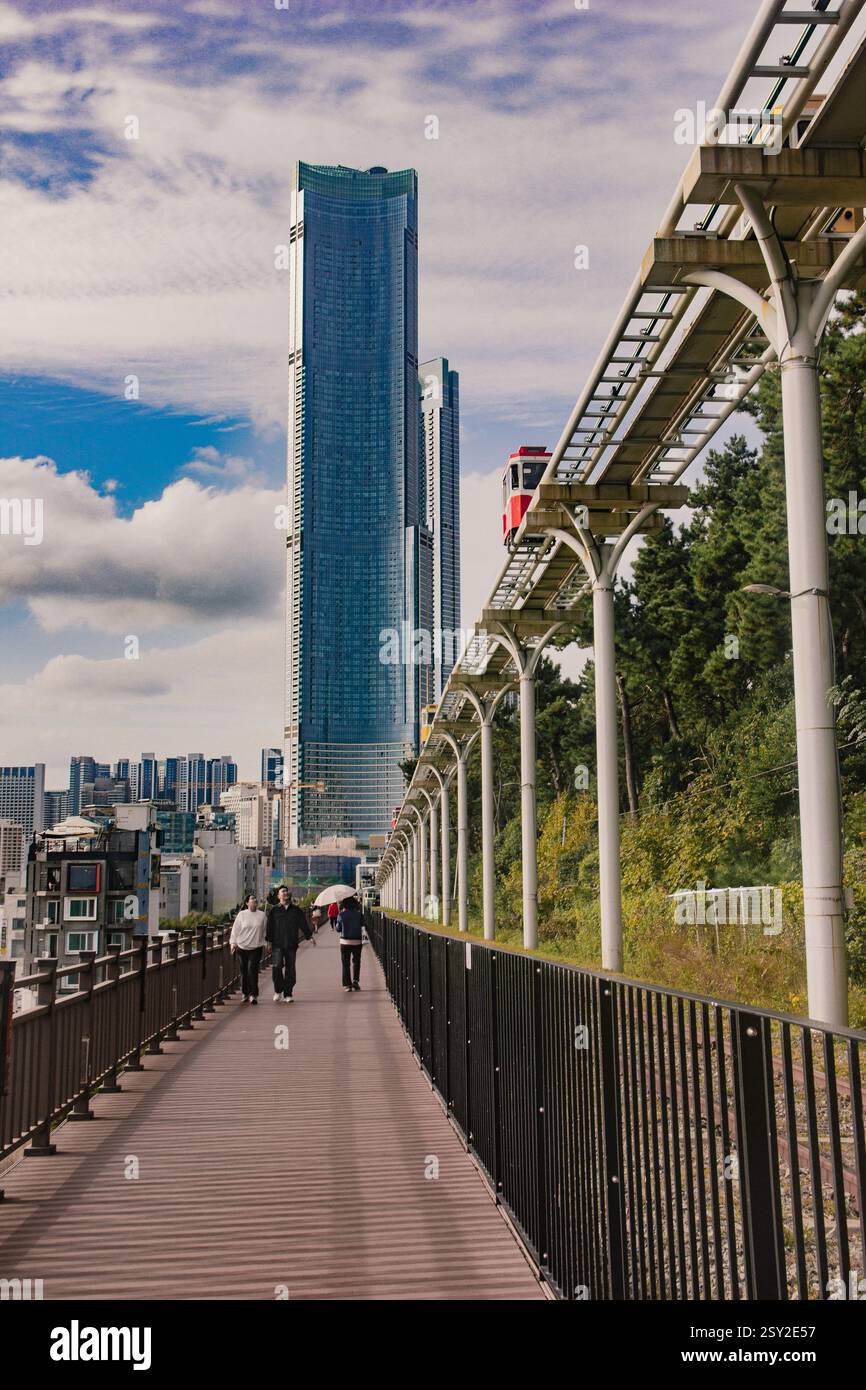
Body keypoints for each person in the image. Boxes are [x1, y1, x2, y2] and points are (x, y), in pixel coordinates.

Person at [266, 886, 312, 1002]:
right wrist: (269, 942)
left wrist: (309, 936)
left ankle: (288, 993)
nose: (285, 893)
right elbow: (269, 927)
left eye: (286, 891)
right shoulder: (274, 911)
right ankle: (278, 990)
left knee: (290, 969)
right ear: (278, 896)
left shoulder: (296, 910)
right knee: (277, 967)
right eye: (283, 891)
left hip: (291, 944)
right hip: (277, 944)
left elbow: (303, 923)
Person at [230, 893, 267, 1004]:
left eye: (255, 899)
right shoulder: (242, 915)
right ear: (247, 903)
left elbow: (265, 931)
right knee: (244, 971)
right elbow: (235, 930)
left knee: (252, 970)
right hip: (242, 947)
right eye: (252, 899)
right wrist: (233, 943)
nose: (254, 900)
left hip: (256, 947)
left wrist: (266, 943)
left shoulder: (262, 915)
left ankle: (253, 995)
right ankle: (245, 993)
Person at [337, 895, 364, 993]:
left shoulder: (341, 915)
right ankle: (355, 981)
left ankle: (347, 985)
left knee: (345, 964)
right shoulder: (359, 914)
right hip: (357, 941)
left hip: (345, 942)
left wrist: (339, 919)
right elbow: (363, 924)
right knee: (356, 962)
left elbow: (338, 929)